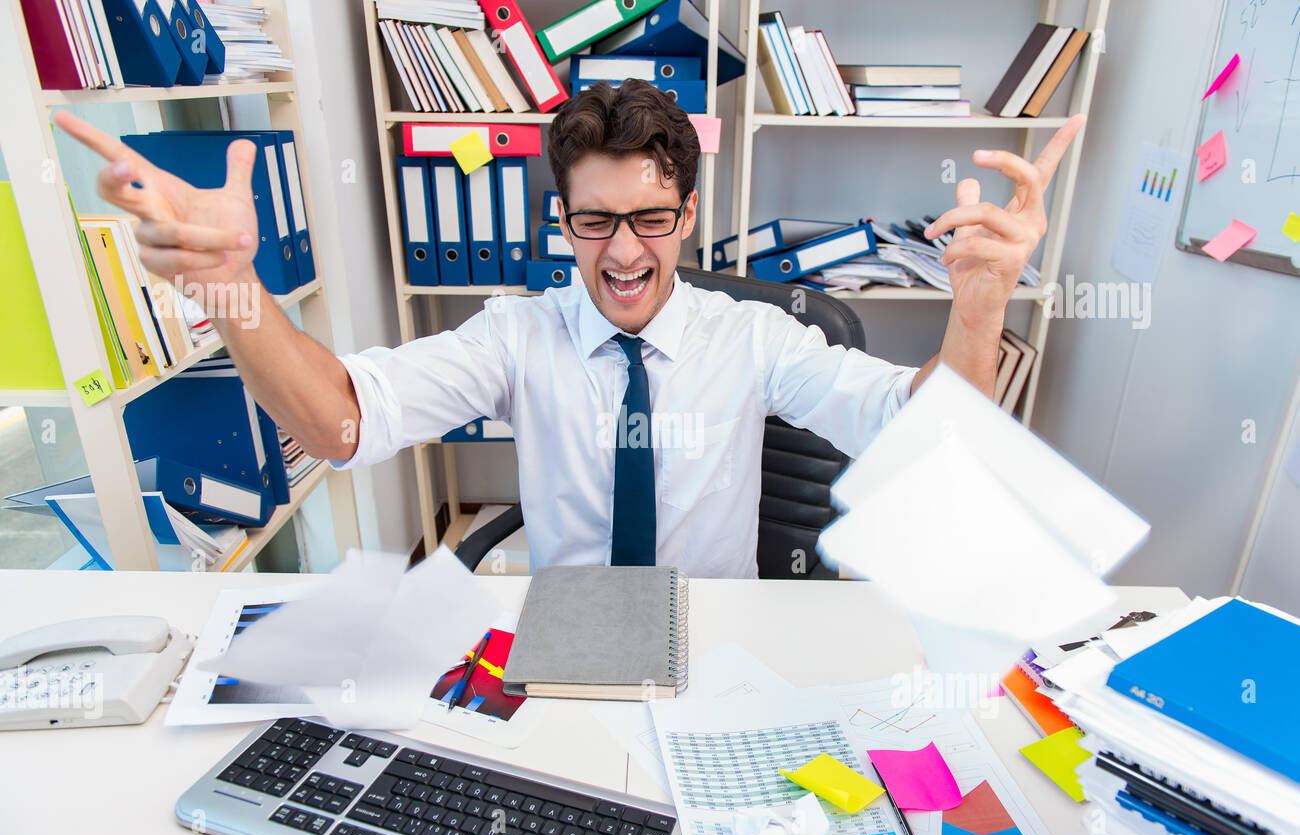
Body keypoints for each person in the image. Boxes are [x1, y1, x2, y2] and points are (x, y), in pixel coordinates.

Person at [53, 81, 1084, 578]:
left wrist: (982, 301)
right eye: (594, 220)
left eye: (649, 218)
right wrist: (234, 288)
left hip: (714, 629)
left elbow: (930, 438)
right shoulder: (514, 335)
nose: (623, 251)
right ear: (562, 223)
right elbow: (336, 427)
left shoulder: (754, 339)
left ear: (685, 217)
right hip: (562, 635)